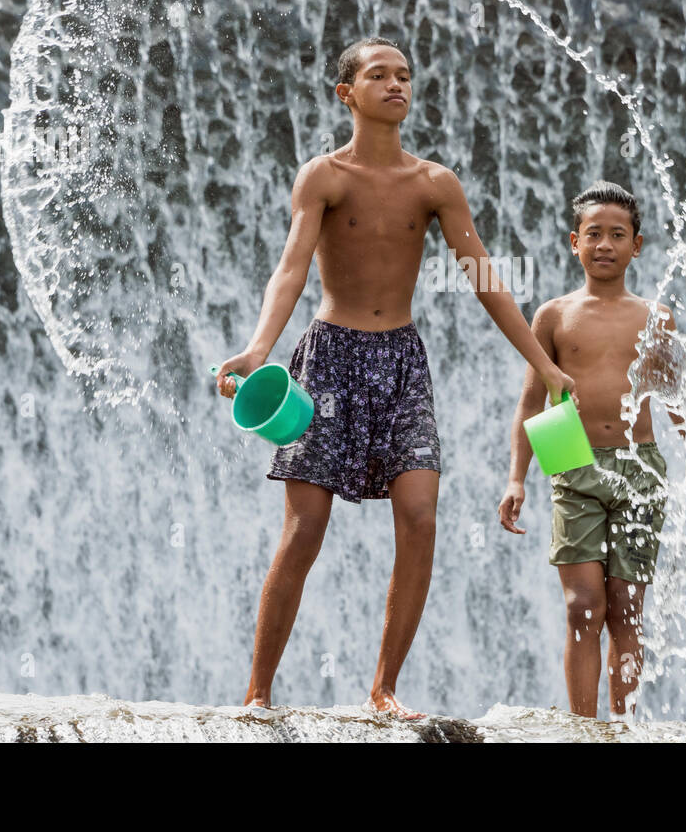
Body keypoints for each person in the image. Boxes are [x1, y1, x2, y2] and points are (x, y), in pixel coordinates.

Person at [217, 36, 576, 719]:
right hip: (328, 358)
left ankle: (382, 689)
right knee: (305, 528)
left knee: (419, 516)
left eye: (405, 75)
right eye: (378, 75)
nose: (396, 84)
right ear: (345, 94)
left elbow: (483, 277)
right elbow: (291, 267)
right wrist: (259, 348)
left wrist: (542, 361)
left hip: (402, 362)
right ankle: (259, 692)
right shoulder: (323, 176)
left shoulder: (434, 184)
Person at [498, 180, 686, 719]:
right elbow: (530, 404)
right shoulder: (552, 316)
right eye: (594, 234)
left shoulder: (654, 317)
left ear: (637, 246)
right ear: (574, 242)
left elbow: (680, 406)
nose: (605, 245)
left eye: (618, 235)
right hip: (570, 457)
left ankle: (625, 727)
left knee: (626, 611)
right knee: (581, 608)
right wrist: (516, 477)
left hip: (639, 465)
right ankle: (583, 728)